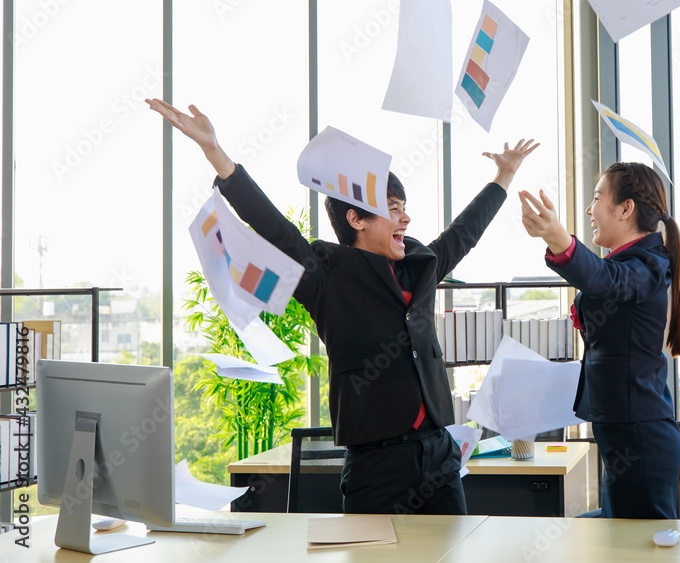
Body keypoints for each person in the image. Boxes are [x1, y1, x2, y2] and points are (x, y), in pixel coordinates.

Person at [147, 98, 538, 515]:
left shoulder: (420, 266)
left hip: (439, 455)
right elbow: (275, 228)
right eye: (393, 210)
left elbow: (465, 232)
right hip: (377, 465)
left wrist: (504, 175)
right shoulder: (326, 276)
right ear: (357, 220)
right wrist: (216, 154)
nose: (405, 219)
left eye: (404, 209)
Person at [518, 162, 680, 519]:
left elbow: (605, 279)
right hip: (623, 437)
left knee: (640, 553)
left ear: (625, 208)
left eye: (598, 197)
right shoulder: (637, 263)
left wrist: (558, 238)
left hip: (641, 443)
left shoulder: (647, 267)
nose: (589, 210)